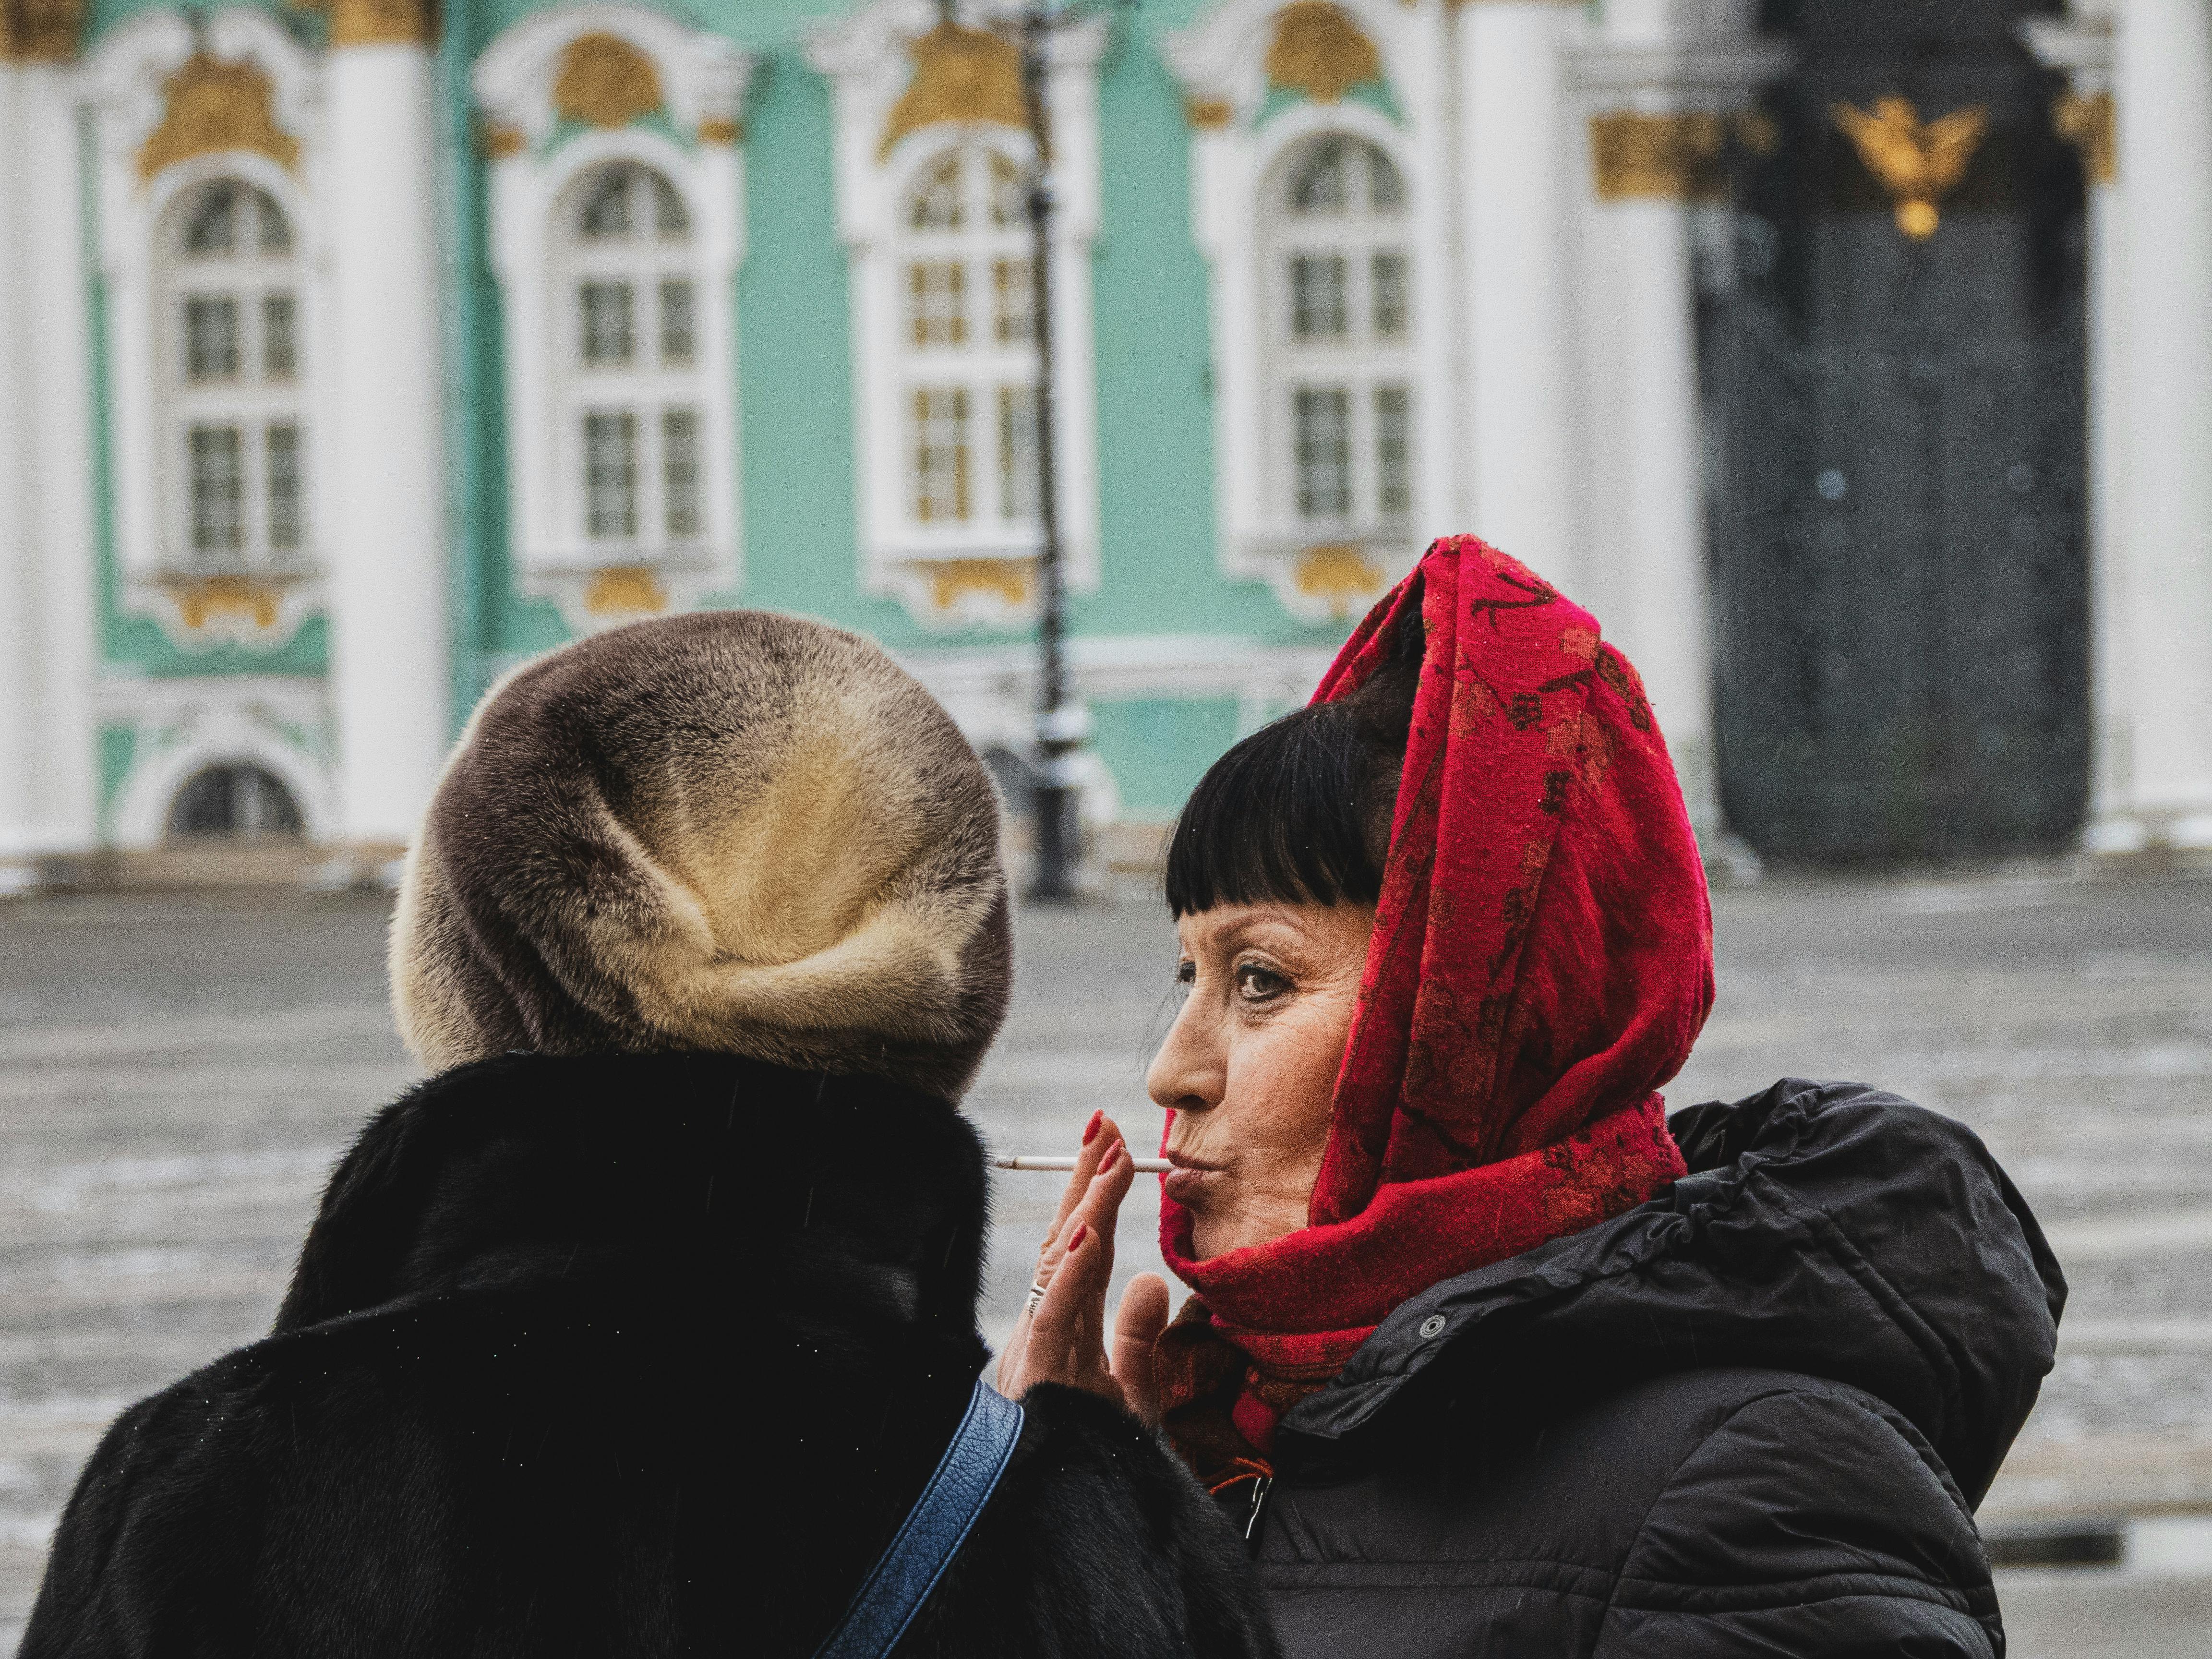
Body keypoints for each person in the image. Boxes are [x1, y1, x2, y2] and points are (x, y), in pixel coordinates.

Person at [22, 612, 1277, 1659]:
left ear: (477, 967)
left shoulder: (207, 1488)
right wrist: (1100, 1494)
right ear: (945, 988)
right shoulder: (1097, 1531)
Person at [998, 536, 2066, 1658]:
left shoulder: (1755, 1485)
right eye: (1188, 978)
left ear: (1475, 1020)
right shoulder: (1230, 1431)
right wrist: (1091, 1531)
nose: (1171, 1070)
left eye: (1259, 980)